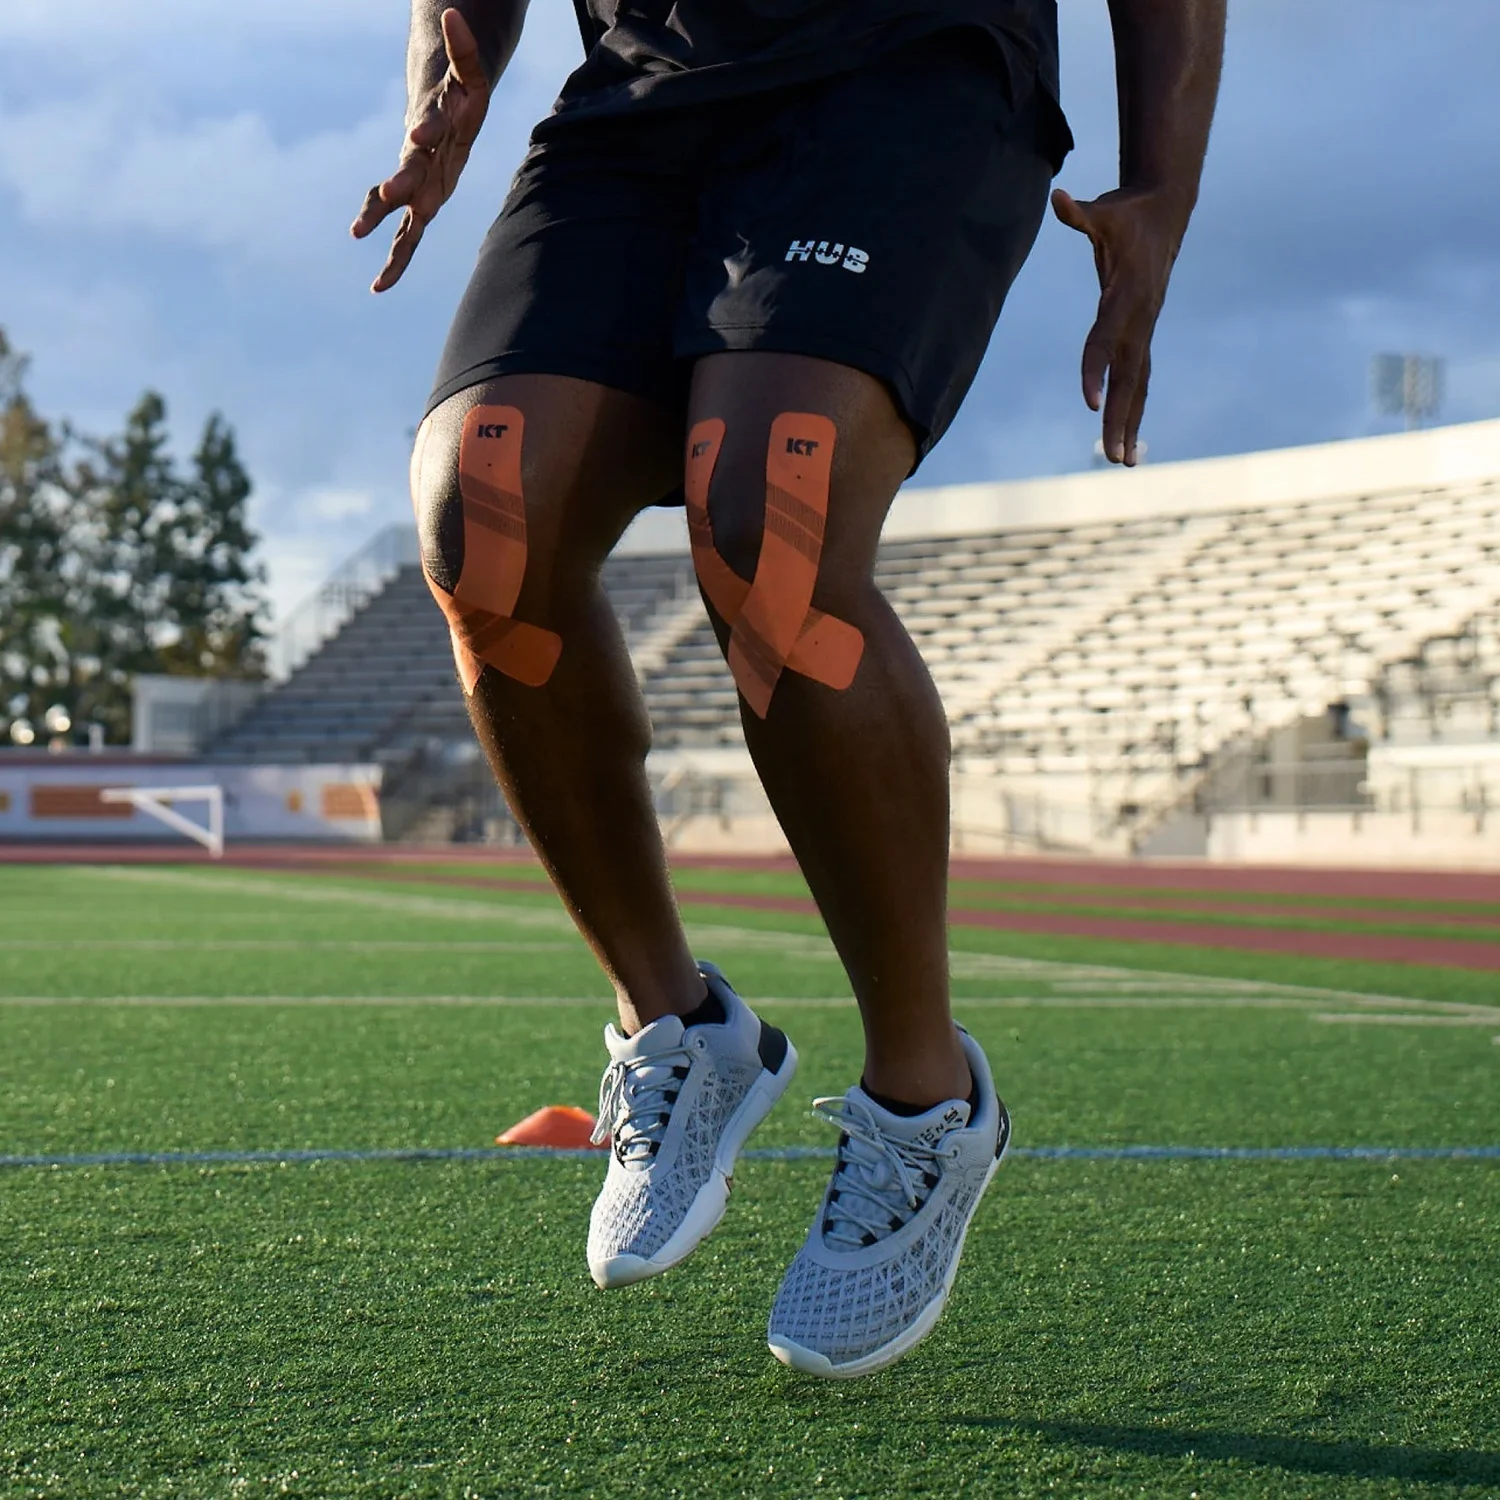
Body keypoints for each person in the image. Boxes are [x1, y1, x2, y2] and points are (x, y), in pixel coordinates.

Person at [353, 0, 1224, 1378]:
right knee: (485, 511)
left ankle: (925, 1102)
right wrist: (443, 86)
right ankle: (680, 1029)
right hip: (645, 91)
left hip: (908, 75)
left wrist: (1163, 190)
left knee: (774, 503)